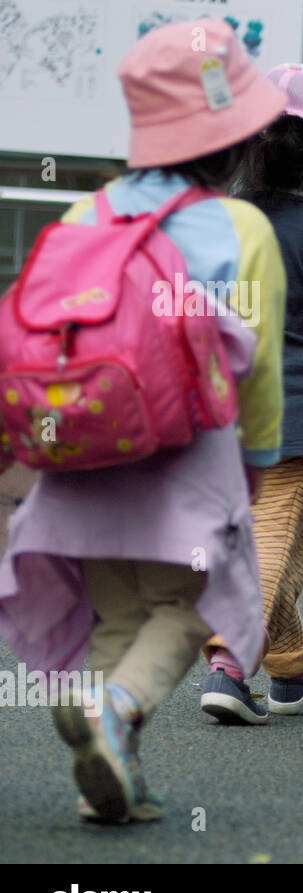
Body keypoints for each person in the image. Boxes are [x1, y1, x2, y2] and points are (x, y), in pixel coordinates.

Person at [0, 20, 287, 820]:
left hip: (76, 456)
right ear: (234, 138)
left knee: (119, 611)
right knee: (197, 608)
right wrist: (258, 463)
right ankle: (113, 709)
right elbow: (258, 371)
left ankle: (107, 761)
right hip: (185, 465)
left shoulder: (84, 216)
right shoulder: (243, 229)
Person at [197, 64, 303, 724]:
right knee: (269, 536)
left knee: (272, 544)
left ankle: (290, 664)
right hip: (292, 418)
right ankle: (230, 662)